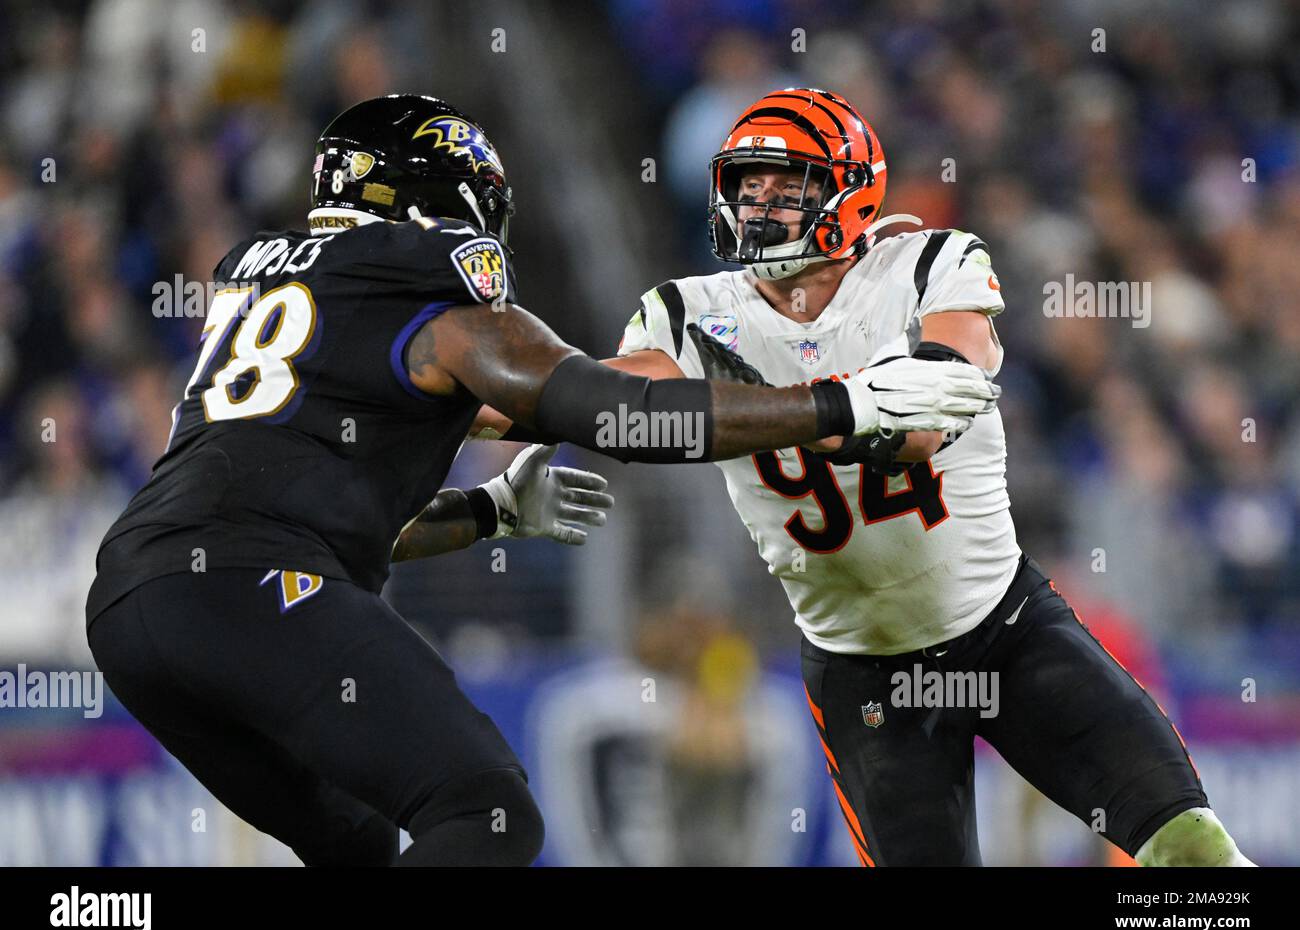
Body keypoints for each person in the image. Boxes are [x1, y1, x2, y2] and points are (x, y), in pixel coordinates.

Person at [84, 94, 997, 866]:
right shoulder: (425, 283)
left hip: (133, 604)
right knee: (485, 811)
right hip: (251, 582)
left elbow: (320, 511)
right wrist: (840, 408)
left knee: (362, 845)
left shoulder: (277, 291)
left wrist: (484, 513)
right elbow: (617, 415)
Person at [477, 87, 1253, 867]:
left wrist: (831, 407)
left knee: (1194, 852)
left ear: (850, 191)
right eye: (748, 187)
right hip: (864, 677)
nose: (761, 207)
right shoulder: (690, 312)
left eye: (788, 188)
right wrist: (456, 394)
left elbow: (927, 416)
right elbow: (618, 407)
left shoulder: (927, 265)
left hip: (1009, 634)